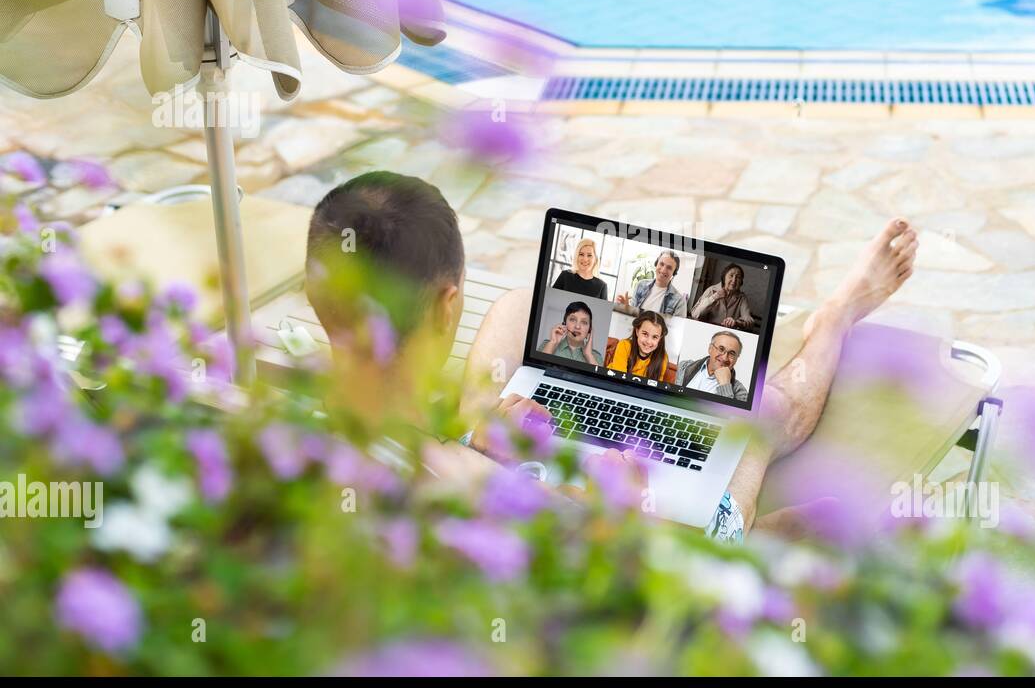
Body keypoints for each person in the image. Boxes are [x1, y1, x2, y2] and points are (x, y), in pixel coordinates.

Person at [309, 171, 921, 543]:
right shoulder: (456, 483)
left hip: (475, 454)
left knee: (525, 307)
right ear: (447, 307)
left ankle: (488, 415)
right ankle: (833, 318)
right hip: (665, 539)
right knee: (754, 420)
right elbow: (666, 549)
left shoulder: (278, 438)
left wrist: (480, 436)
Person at [677, 330, 747, 401]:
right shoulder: (684, 366)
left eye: (732, 353)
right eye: (721, 349)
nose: (724, 358)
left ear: (736, 359)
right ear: (710, 348)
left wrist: (725, 385)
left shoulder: (740, 392)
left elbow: (730, 412)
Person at [604, 310, 671, 382]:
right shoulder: (624, 345)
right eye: (645, 334)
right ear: (637, 331)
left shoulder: (663, 358)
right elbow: (619, 379)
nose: (648, 341)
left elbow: (655, 385)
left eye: (655, 337)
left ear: (660, 339)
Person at [615, 250, 686, 316]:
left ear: (674, 273)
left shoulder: (679, 302)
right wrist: (626, 308)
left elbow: (676, 328)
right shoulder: (641, 285)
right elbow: (633, 316)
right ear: (656, 264)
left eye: (669, 268)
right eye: (661, 264)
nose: (663, 270)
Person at [690, 263, 755, 329]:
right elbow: (695, 314)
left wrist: (736, 322)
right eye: (731, 275)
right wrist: (714, 297)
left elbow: (749, 321)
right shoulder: (712, 290)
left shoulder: (742, 298)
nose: (734, 280)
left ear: (741, 282)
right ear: (724, 277)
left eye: (738, 277)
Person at [541, 300, 599, 366]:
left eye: (584, 322)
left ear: (589, 330)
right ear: (564, 323)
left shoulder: (596, 357)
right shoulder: (546, 345)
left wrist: (589, 355)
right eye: (572, 320)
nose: (577, 326)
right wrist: (552, 343)